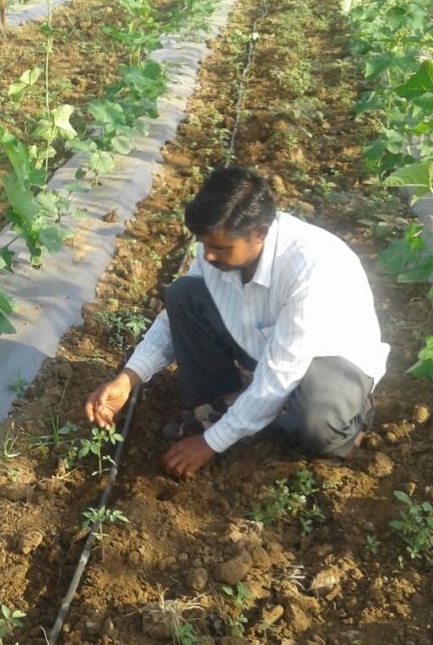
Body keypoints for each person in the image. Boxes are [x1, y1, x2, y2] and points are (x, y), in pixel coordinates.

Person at [85, 165, 389, 478]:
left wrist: (209, 443)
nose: (209, 256)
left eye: (218, 248)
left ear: (259, 233)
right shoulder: (217, 249)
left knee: (318, 428)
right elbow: (176, 315)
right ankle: (226, 401)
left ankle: (349, 415)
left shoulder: (310, 270)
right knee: (183, 294)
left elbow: (281, 374)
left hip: (328, 362)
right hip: (262, 342)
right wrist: (129, 378)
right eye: (204, 245)